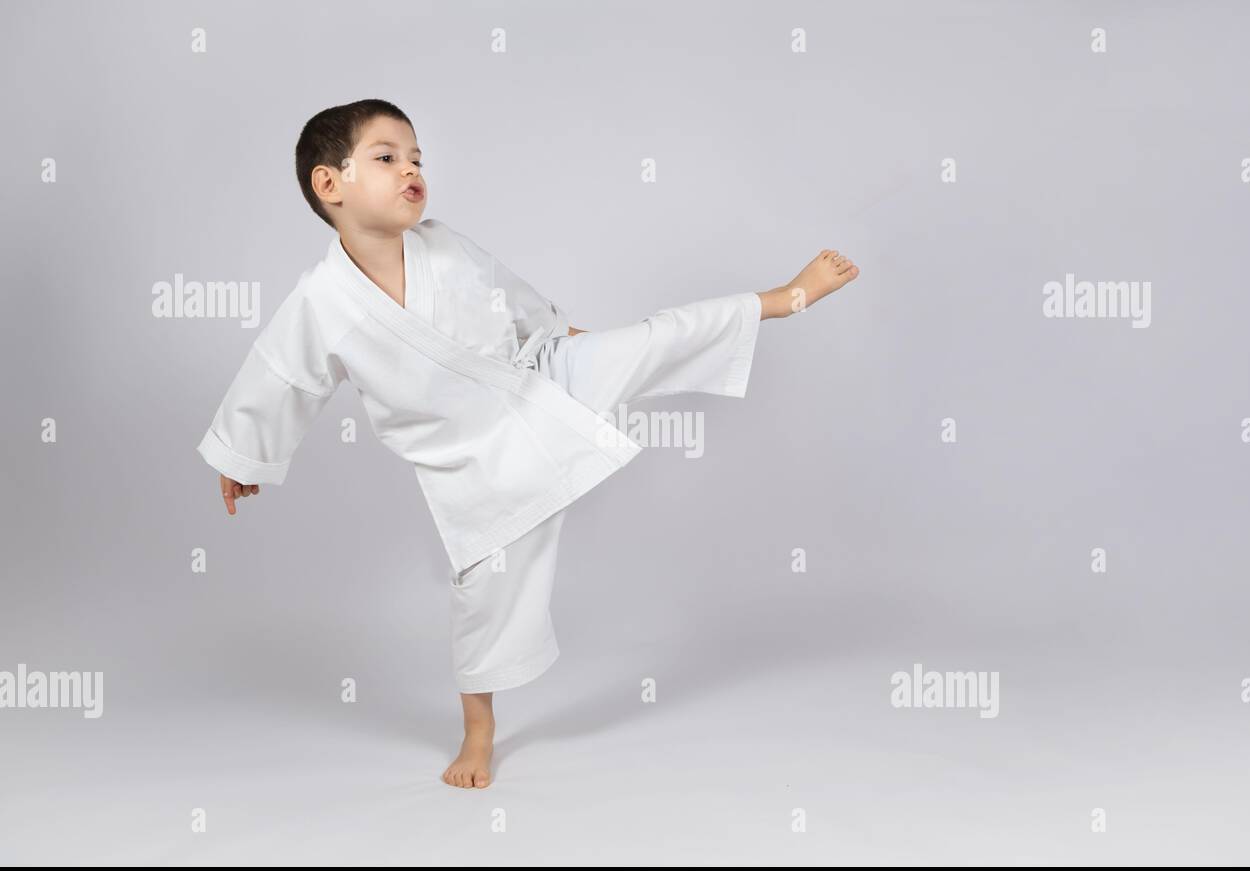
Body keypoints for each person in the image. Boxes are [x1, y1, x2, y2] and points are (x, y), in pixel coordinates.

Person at [196, 99, 859, 789]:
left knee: (651, 339)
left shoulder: (445, 246)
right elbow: (282, 378)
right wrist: (244, 460)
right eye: (388, 158)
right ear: (329, 185)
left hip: (536, 376)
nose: (411, 170)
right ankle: (478, 732)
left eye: (417, 158)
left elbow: (516, 303)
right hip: (468, 457)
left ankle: (781, 298)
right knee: (485, 592)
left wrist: (580, 346)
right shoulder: (320, 302)